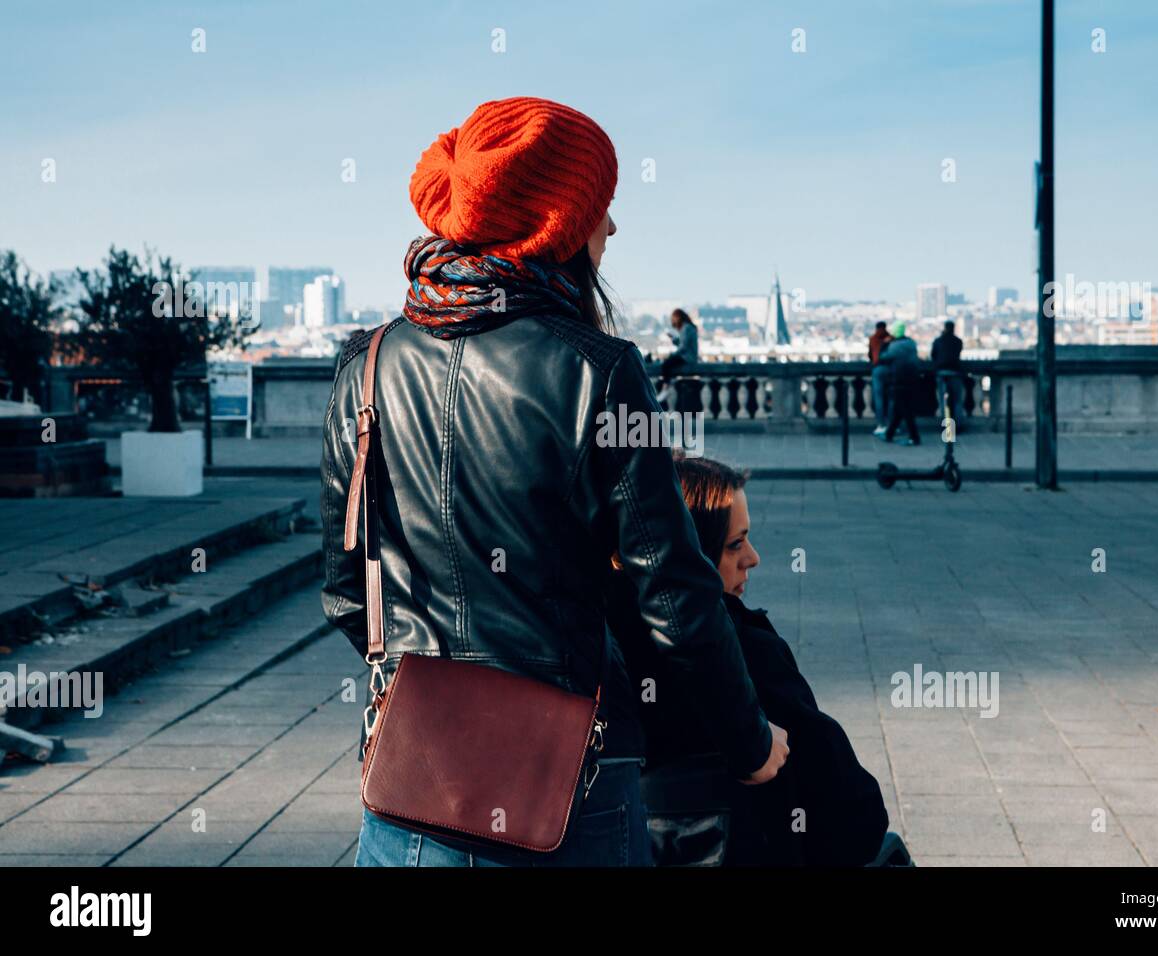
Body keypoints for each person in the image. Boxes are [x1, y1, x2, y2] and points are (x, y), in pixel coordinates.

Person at [320, 97, 787, 868]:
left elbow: (345, 592)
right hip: (570, 790)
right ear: (557, 221)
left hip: (410, 788)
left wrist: (434, 687)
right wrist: (750, 739)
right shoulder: (599, 372)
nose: (610, 227)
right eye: (600, 207)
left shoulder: (365, 364)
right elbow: (673, 595)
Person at [607, 455, 890, 866]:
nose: (753, 557)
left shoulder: (601, 643)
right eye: (735, 544)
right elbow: (853, 809)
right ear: (691, 556)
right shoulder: (749, 654)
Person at [876, 321, 922, 446]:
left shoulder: (894, 346)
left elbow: (882, 358)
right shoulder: (911, 343)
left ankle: (914, 437)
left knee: (905, 410)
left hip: (898, 380)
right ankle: (889, 434)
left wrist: (885, 344)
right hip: (912, 379)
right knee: (900, 408)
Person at [656, 308, 701, 411]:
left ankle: (665, 388)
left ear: (678, 318)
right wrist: (674, 339)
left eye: (673, 319)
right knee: (668, 364)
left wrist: (673, 354)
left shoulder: (686, 328)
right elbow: (683, 344)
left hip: (687, 358)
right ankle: (666, 387)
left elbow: (683, 347)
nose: (673, 322)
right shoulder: (689, 327)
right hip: (690, 357)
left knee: (666, 364)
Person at [931, 320, 964, 429]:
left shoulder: (938, 341)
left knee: (943, 401)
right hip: (955, 372)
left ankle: (947, 427)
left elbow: (933, 355)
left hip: (942, 373)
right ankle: (958, 425)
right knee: (957, 401)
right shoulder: (958, 341)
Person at [868, 320, 893, 436]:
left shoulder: (873, 339)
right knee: (891, 398)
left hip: (877, 369)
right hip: (890, 369)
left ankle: (881, 424)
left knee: (879, 398)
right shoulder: (891, 338)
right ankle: (891, 424)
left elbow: (870, 355)